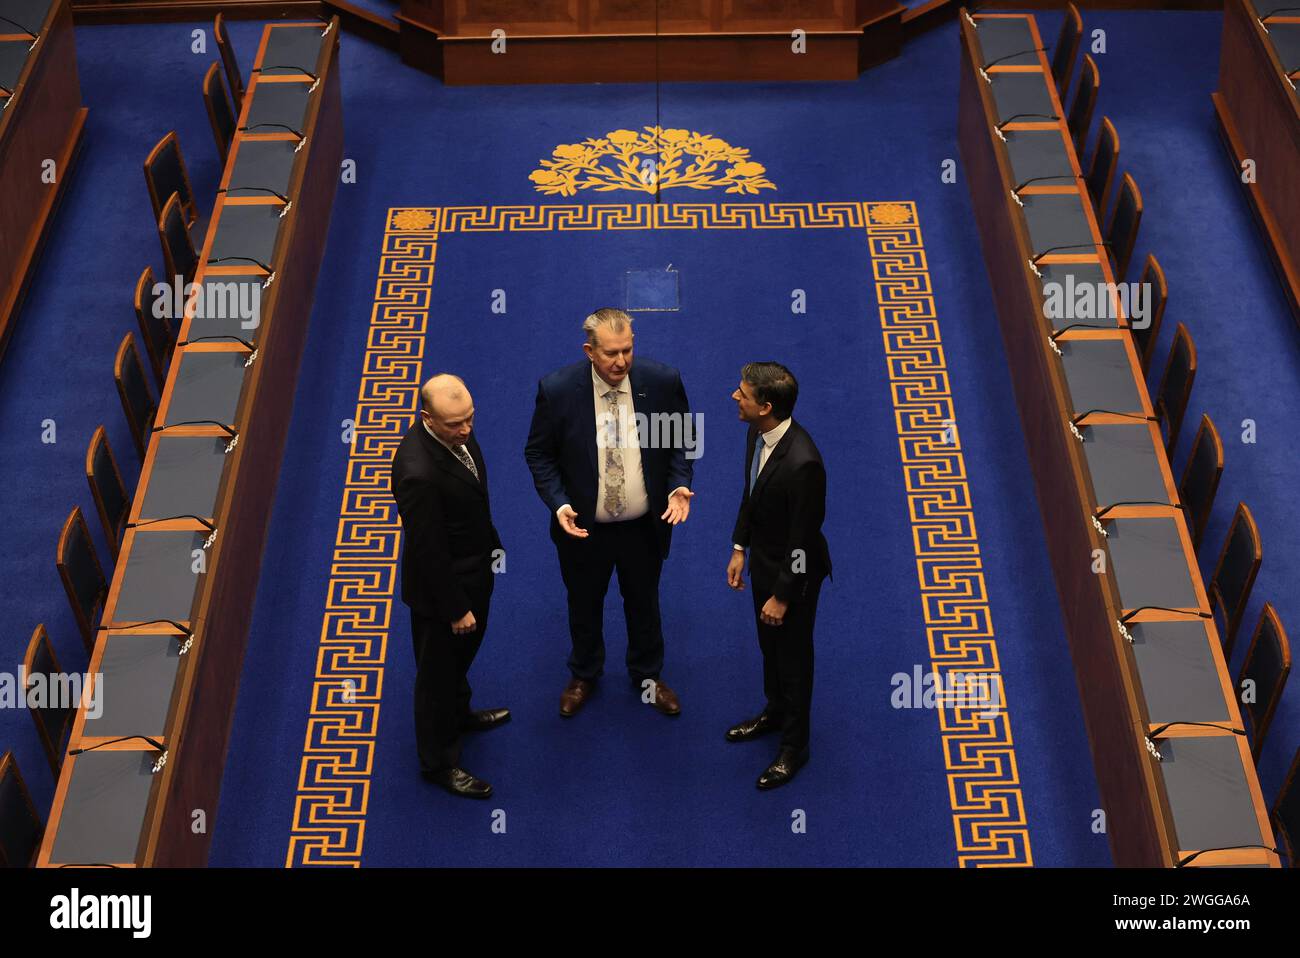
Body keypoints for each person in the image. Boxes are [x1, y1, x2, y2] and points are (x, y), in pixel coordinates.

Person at [524, 308, 694, 718]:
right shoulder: (558, 390)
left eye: (628, 350)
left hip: (643, 528)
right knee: (584, 603)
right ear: (589, 351)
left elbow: (680, 444)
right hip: (583, 529)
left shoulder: (661, 381)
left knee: (644, 604)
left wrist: (677, 486)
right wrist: (560, 503)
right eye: (611, 353)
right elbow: (539, 453)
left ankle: (648, 675)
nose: (621, 362)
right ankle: (584, 673)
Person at [391, 374, 509, 799]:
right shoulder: (417, 472)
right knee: (436, 677)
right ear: (427, 418)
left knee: (459, 660)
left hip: (474, 569)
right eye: (456, 424)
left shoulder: (454, 437)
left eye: (470, 419)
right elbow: (428, 549)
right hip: (444, 593)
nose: (467, 430)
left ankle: (460, 715)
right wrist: (456, 607)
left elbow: (473, 496)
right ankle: (438, 764)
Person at [725, 362, 831, 789]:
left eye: (743, 394)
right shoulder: (758, 432)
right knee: (769, 646)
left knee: (794, 658)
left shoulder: (804, 463)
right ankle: (775, 710)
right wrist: (739, 546)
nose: (735, 397)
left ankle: (794, 746)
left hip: (794, 577)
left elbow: (804, 540)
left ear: (765, 406)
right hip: (764, 563)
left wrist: (783, 596)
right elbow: (751, 493)